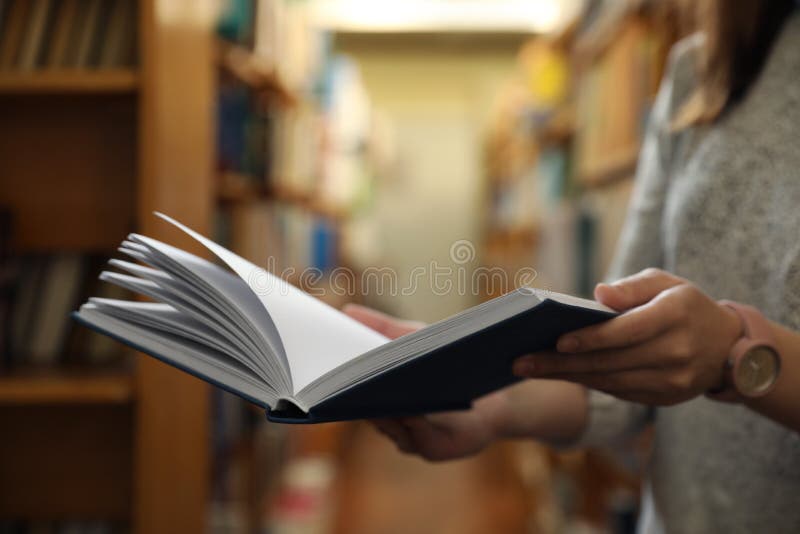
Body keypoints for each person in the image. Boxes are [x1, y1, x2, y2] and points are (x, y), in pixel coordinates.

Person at [344, 1, 800, 532]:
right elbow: (617, 358)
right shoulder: (701, 71)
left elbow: (697, 353)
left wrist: (737, 354)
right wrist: (486, 396)